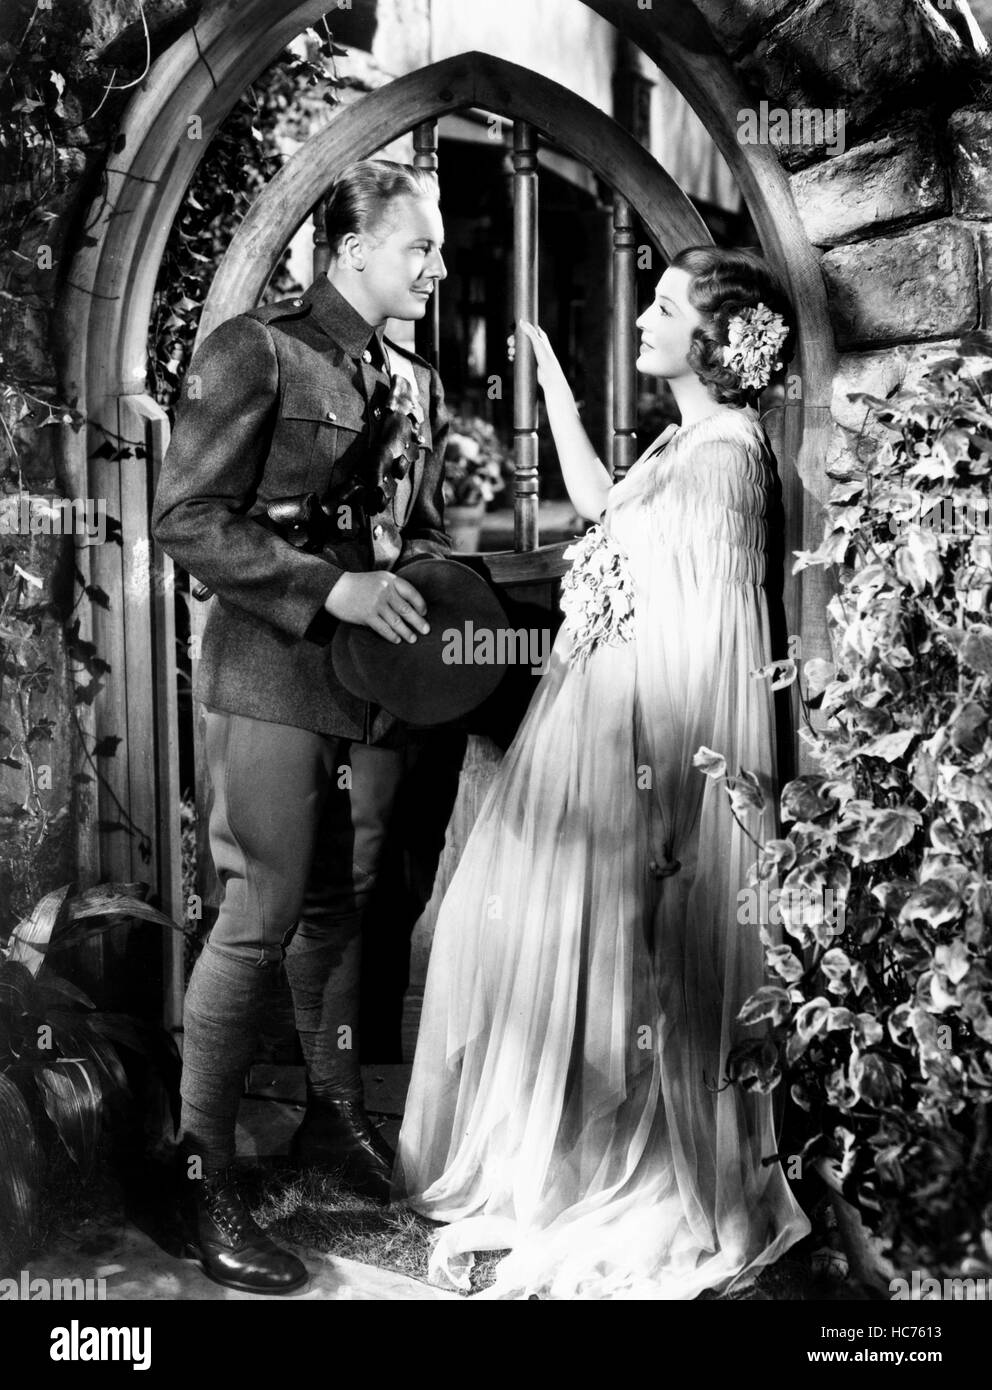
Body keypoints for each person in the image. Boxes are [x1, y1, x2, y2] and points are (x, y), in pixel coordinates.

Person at [394, 246, 812, 1300]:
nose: (642, 317)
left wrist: (664, 782)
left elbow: (708, 638)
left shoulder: (726, 456)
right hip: (592, 733)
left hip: (637, 743)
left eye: (664, 308)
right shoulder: (688, 440)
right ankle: (560, 1155)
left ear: (712, 342)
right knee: (525, 948)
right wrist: (552, 390)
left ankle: (632, 1164)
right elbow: (600, 507)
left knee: (620, 972)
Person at [151, 159, 449, 1295]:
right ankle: (203, 1172)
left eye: (433, 249)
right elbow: (186, 519)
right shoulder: (255, 350)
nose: (431, 265)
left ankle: (328, 1120)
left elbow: (397, 529)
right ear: (350, 250)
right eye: (413, 245)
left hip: (366, 688)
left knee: (338, 911)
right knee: (259, 915)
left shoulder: (407, 378)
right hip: (270, 678)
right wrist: (329, 589)